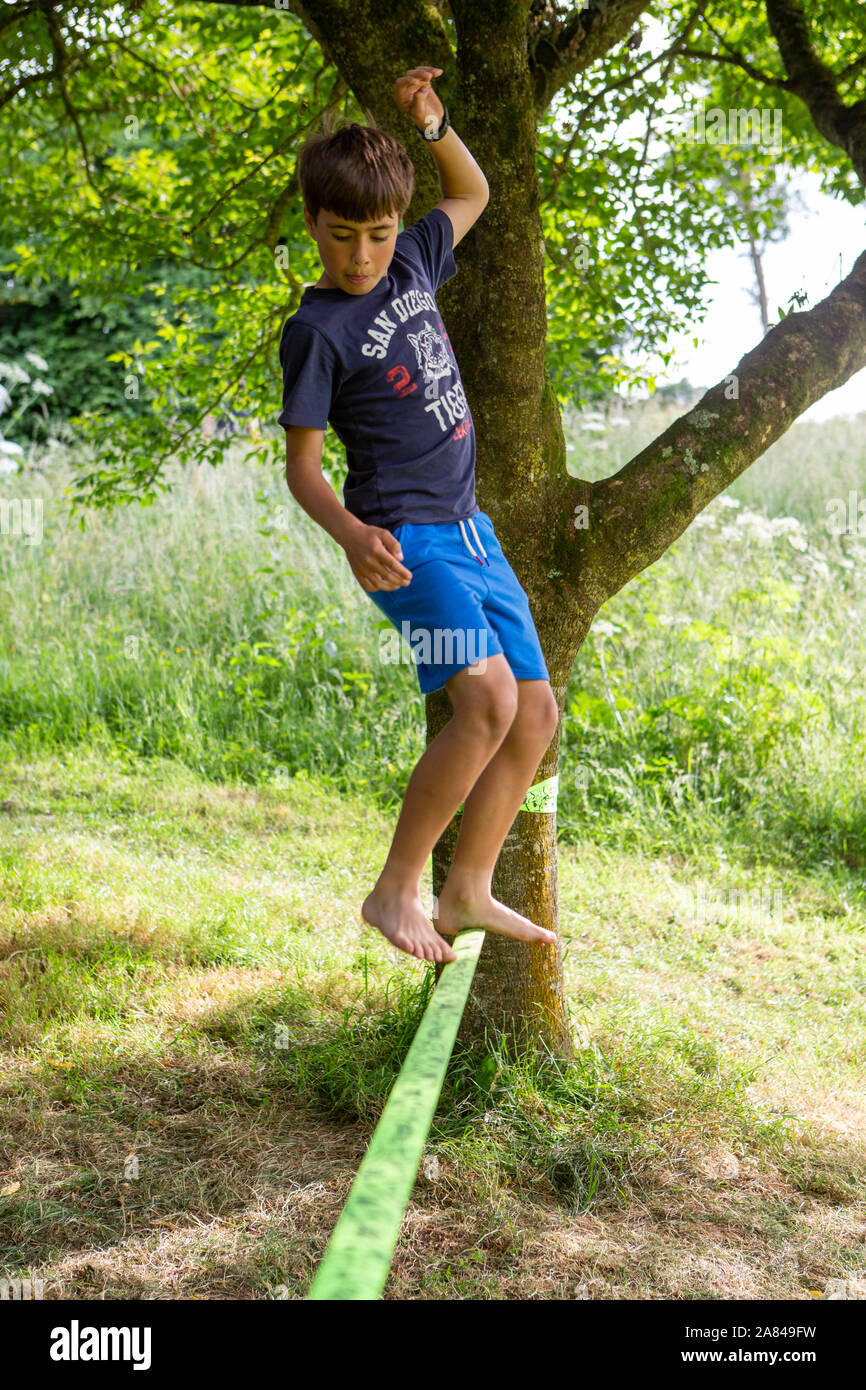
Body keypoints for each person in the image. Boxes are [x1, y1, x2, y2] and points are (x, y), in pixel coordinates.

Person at [279, 66, 559, 965]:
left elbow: (473, 190)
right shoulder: (316, 332)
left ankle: (466, 887)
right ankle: (396, 887)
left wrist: (433, 120)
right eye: (341, 236)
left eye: (377, 233)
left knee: (536, 713)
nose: (361, 256)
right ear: (313, 225)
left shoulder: (412, 263)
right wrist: (352, 535)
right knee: (482, 700)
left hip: (476, 534)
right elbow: (304, 469)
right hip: (408, 548)